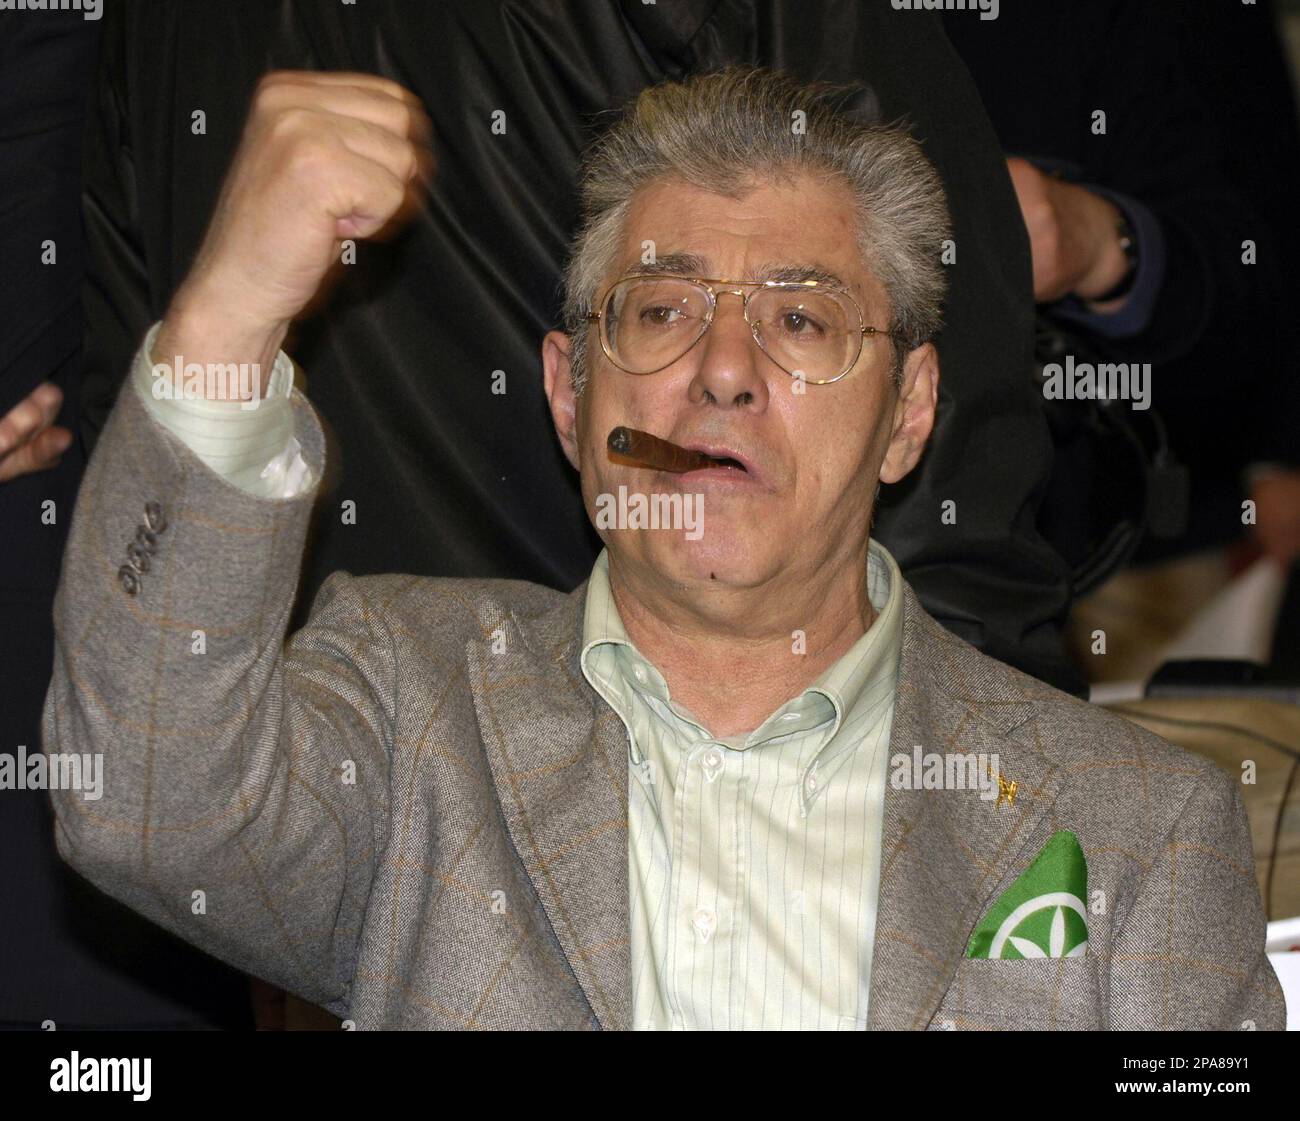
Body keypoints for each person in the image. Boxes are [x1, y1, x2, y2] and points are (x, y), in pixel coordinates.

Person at [43, 67, 1283, 1030]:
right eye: (661, 309)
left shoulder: (1139, 827)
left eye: (800, 316)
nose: (723, 371)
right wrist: (227, 317)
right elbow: (142, 800)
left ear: (908, 411)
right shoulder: (410, 707)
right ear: (571, 395)